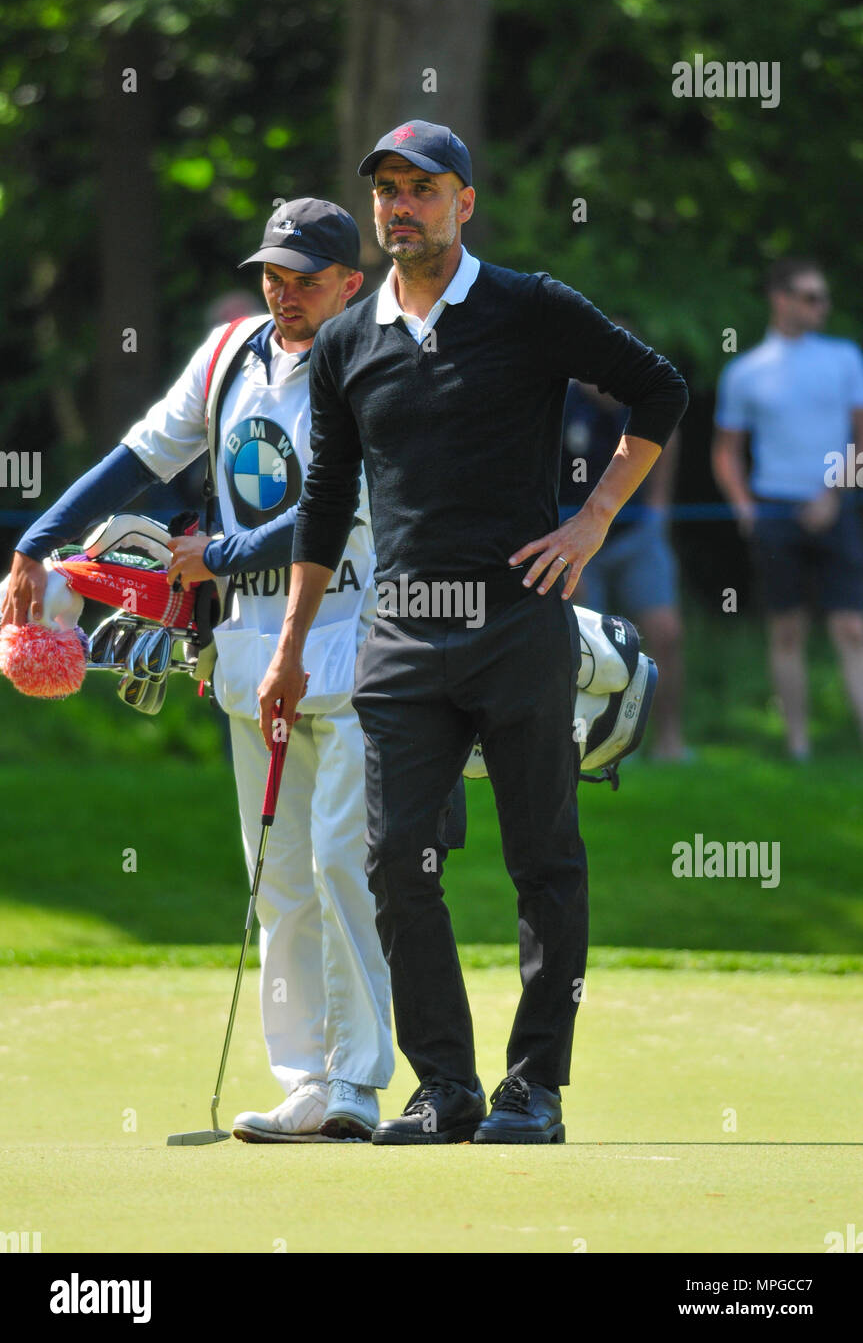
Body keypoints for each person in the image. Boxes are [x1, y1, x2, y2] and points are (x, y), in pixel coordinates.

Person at [257, 120, 689, 1145]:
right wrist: (287, 647)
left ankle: (532, 1087)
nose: (398, 206)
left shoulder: (528, 307)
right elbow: (323, 500)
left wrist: (591, 520)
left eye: (421, 187)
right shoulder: (348, 343)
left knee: (542, 856)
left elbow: (659, 386)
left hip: (515, 627)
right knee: (395, 859)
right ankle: (443, 1085)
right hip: (398, 639)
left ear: (464, 202)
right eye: (385, 191)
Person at [1, 198, 395, 1142]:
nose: (283, 291)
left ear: (351, 282)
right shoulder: (227, 356)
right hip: (247, 661)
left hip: (355, 653)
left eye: (305, 277)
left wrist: (218, 555)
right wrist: (38, 542)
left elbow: (337, 513)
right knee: (277, 879)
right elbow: (140, 456)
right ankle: (304, 1079)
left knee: (345, 866)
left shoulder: (380, 364)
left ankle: (358, 1084)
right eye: (272, 271)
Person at [713, 257, 863, 760]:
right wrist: (744, 507)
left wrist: (833, 493)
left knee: (852, 627)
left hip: (836, 506)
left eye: (823, 296)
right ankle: (799, 747)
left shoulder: (844, 358)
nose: (821, 305)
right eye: (810, 296)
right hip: (774, 511)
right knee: (787, 630)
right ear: (781, 298)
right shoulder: (745, 370)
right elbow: (726, 451)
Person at [559, 356, 688, 761]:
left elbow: (670, 433)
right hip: (571, 538)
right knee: (582, 648)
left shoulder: (644, 397)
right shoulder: (556, 402)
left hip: (634, 533)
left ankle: (670, 743)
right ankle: (590, 745)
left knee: (666, 633)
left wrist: (659, 508)